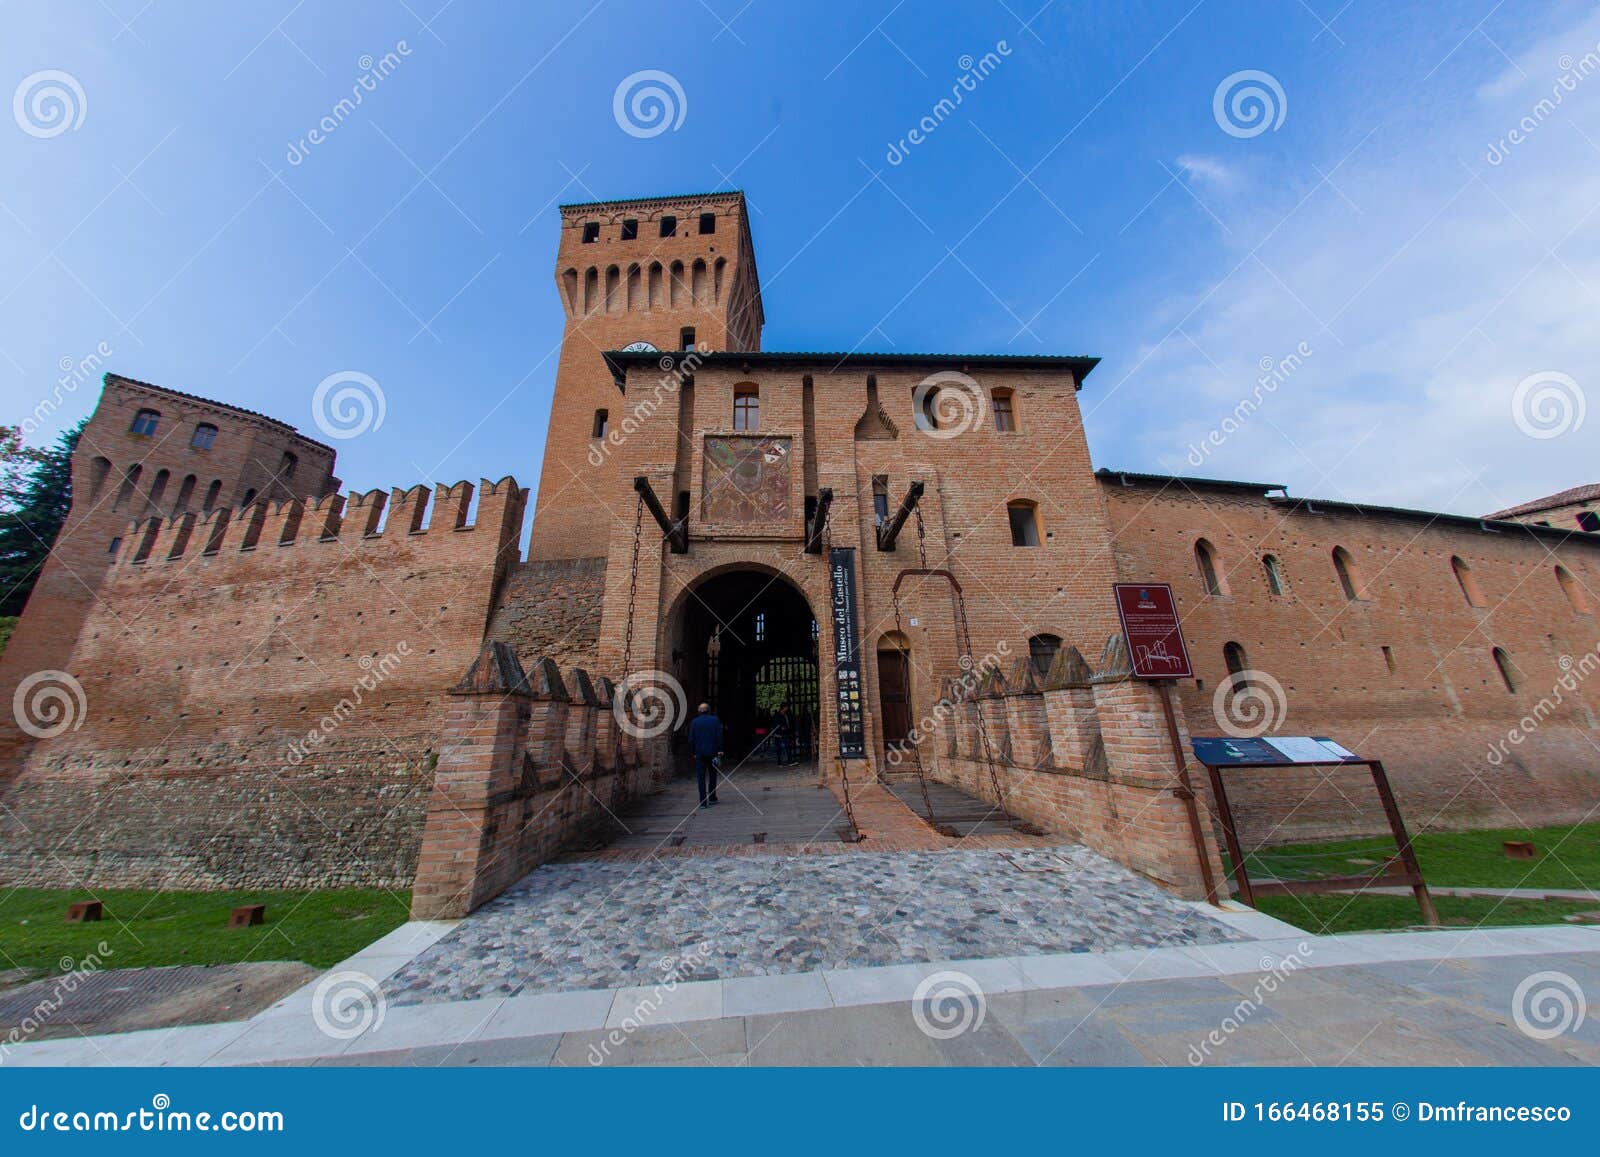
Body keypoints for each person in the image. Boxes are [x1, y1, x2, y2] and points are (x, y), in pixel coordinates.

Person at [687, 702, 724, 807]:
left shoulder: (695, 722)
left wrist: (693, 752)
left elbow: (691, 739)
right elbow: (719, 736)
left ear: (699, 711)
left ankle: (703, 802)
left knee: (701, 778)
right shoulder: (715, 720)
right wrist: (720, 749)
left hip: (699, 753)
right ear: (709, 710)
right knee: (712, 776)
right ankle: (712, 797)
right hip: (713, 753)